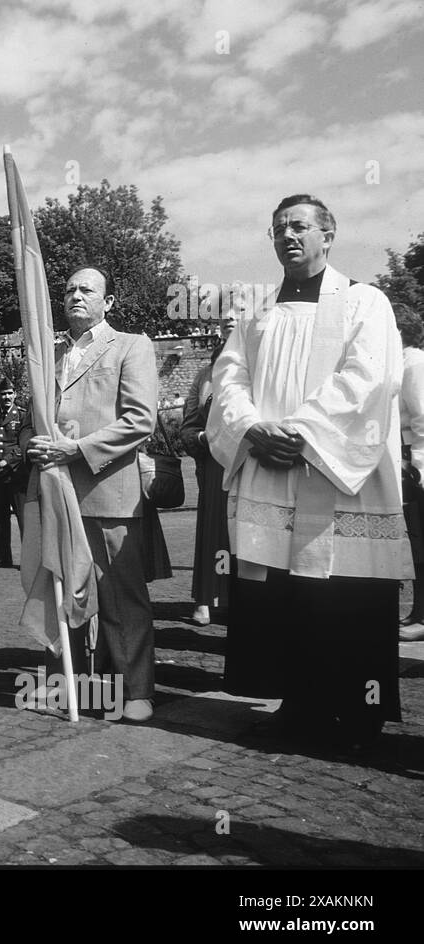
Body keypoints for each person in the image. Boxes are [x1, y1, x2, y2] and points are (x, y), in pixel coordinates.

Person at [207, 194, 411, 747]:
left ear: (329, 234)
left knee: (346, 595)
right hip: (271, 471)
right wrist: (251, 428)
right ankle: (298, 707)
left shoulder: (365, 302)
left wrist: (299, 433)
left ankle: (359, 714)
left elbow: (367, 378)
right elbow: (228, 380)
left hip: (342, 480)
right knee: (283, 596)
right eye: (277, 229)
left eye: (299, 226)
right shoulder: (256, 312)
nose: (287, 237)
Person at [27, 265, 158, 723]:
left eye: (88, 289)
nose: (76, 296)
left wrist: (77, 449)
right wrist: (35, 442)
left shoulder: (131, 346)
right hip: (57, 491)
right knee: (62, 587)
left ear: (109, 302)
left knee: (119, 594)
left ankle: (136, 688)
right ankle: (67, 683)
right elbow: (36, 419)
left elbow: (140, 419)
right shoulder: (50, 357)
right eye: (69, 290)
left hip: (109, 489)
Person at [180, 309, 238, 625]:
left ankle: (234, 595)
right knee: (213, 530)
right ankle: (205, 598)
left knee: (243, 532)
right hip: (215, 463)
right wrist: (205, 437)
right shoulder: (204, 376)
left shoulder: (261, 367)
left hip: (250, 461)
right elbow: (188, 426)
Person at [0, 377, 31, 567]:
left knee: (23, 518)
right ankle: (3, 557)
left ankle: (29, 559)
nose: (6, 397)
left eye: (10, 393)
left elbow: (23, 444)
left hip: (17, 474)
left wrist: (6, 461)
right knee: (0, 519)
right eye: (2, 394)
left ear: (15, 394)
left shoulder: (23, 415)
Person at [397, 303, 424, 627]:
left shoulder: (414, 363)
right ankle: (418, 613)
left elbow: (422, 419)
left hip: (413, 462)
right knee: (416, 543)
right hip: (403, 459)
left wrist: (416, 466)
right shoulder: (401, 363)